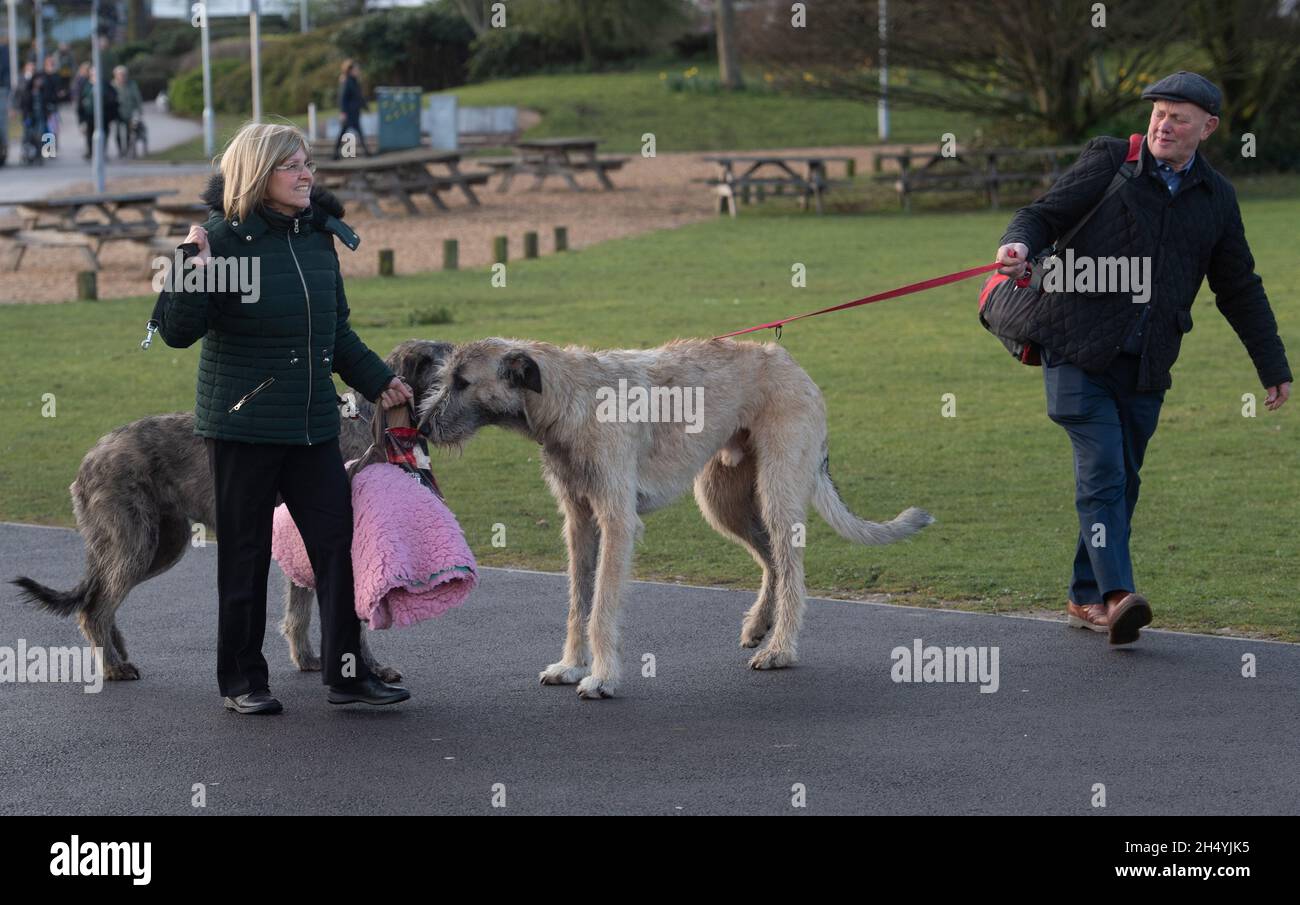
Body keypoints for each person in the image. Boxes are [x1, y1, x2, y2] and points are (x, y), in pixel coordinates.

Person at [994, 71, 1291, 646]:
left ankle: (1085, 592)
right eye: (1158, 112)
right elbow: (1043, 214)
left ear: (1207, 128)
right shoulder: (1110, 160)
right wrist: (1019, 243)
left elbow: (1239, 287)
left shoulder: (1216, 198)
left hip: (1148, 362)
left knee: (1121, 481)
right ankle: (1116, 597)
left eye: (1179, 116)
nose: (1163, 122)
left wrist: (1272, 365)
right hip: (1076, 344)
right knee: (1103, 468)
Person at [156, 122, 414, 714]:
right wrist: (191, 270)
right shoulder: (221, 240)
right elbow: (176, 332)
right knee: (243, 555)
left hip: (312, 426)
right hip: (243, 426)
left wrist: (380, 382)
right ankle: (244, 682)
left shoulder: (317, 239)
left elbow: (336, 333)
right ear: (257, 173)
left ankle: (347, 673)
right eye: (291, 165)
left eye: (308, 164)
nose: (307, 175)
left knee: (337, 544)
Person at [334, 59, 372, 159]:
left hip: (354, 112)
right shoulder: (347, 82)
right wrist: (343, 112)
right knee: (344, 132)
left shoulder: (354, 81)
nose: (358, 71)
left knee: (356, 132)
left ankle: (367, 152)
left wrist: (366, 107)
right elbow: (343, 98)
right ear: (350, 70)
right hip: (349, 113)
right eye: (356, 69)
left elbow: (359, 97)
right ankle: (335, 154)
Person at [112, 65, 143, 157]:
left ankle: (127, 149)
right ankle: (120, 150)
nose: (122, 76)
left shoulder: (131, 84)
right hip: (117, 113)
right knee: (117, 132)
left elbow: (137, 98)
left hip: (129, 113)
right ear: (115, 75)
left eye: (123, 74)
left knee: (129, 132)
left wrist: (139, 111)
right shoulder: (113, 85)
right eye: (120, 75)